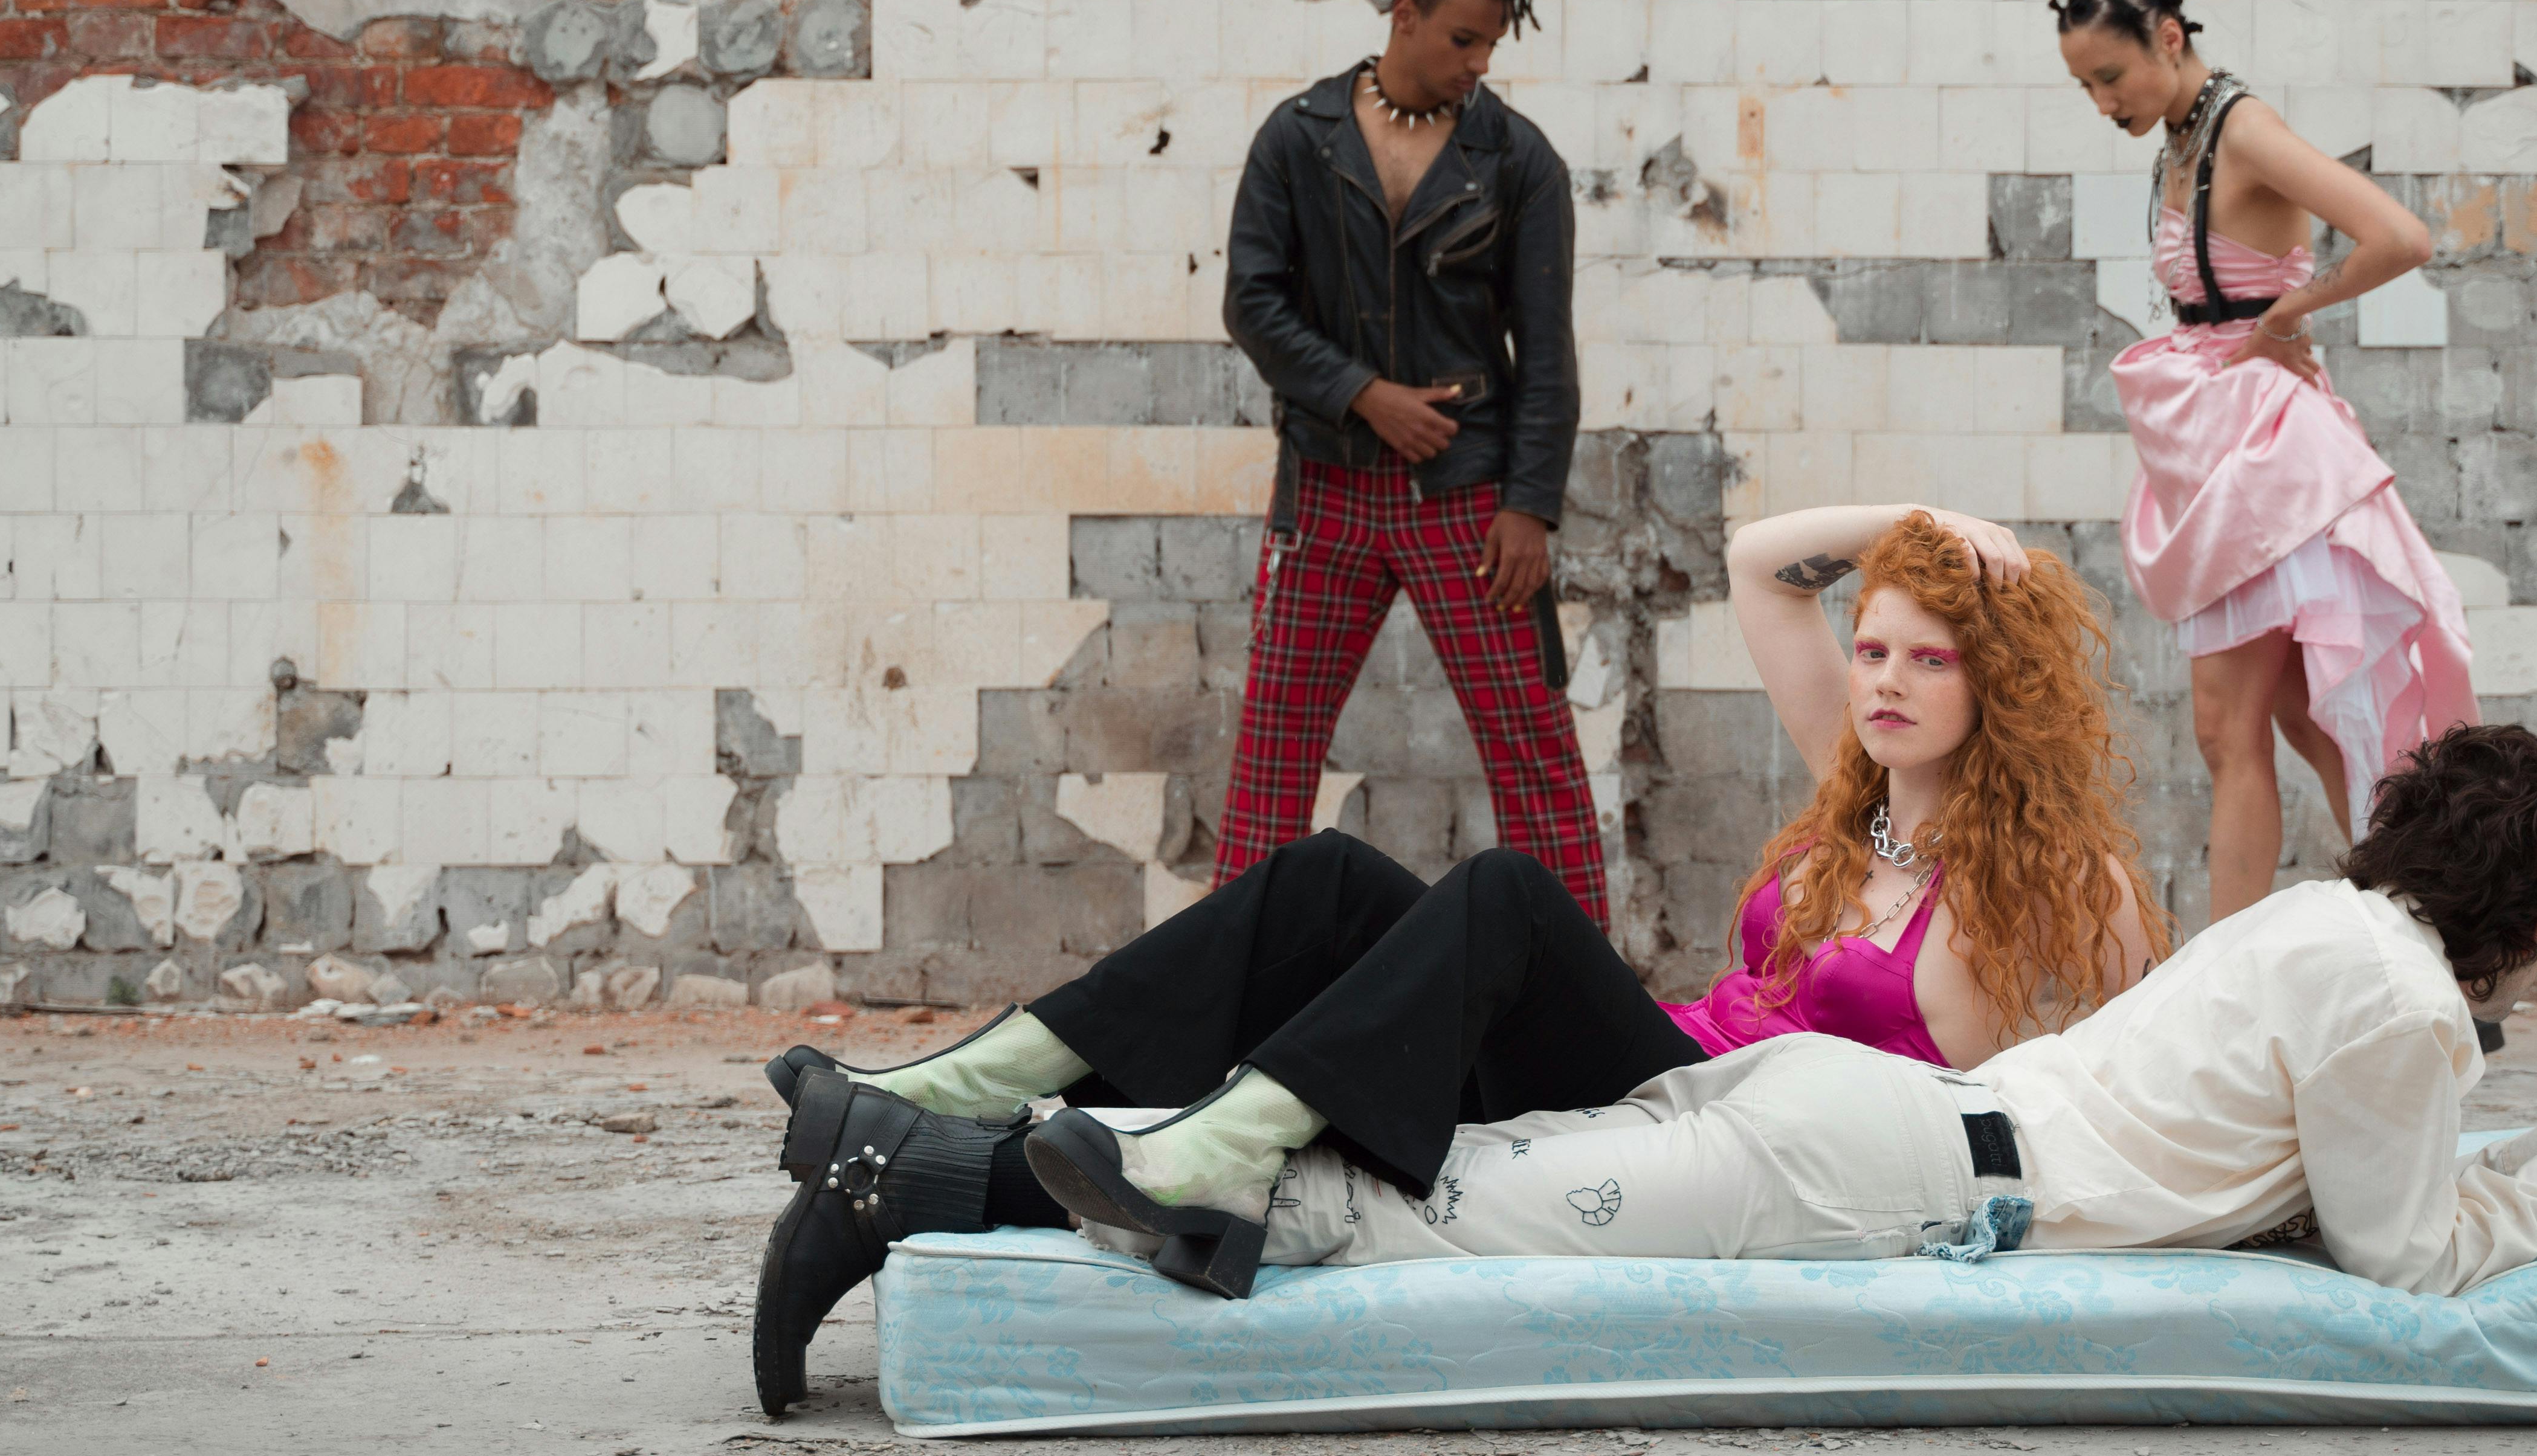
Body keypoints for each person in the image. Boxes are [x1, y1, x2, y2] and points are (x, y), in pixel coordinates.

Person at [747, 504, 2163, 1409]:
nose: (1885, 681)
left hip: (1745, 1136)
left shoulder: (2046, 882)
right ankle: (963, 1087)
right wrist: (1926, 523)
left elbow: (2152, 1048)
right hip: (1654, 1075)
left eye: (1931, 658)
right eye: (1873, 650)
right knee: (1325, 881)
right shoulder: (1851, 789)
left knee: (1505, 895)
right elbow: (1760, 560)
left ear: (1997, 682)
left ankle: (1041, 1153)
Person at [1237, 723, 2537, 1298]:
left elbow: (2374, 1170)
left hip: (1855, 1119)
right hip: (1888, 1174)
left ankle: (1134, 1151)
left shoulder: (2314, 920)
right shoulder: (2403, 999)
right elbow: (2408, 1250)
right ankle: (1135, 1177)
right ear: (2531, 923)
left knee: (1433, 1175)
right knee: (1374, 1211)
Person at [2056, 0, 2475, 920]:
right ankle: (2427, 923)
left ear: (2169, 39)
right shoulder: (2183, 136)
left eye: (2111, 76)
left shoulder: (2242, 130)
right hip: (2220, 441)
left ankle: (2225, 975)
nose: (2104, 102)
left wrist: (2289, 312)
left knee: (2226, 728)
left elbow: (2401, 237)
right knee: (2304, 718)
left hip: (2264, 451)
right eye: (2086, 87)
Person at [1213, 0, 1597, 915]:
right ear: (1405, 13)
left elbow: (1547, 352)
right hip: (1325, 490)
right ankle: (1222, 987)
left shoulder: (1518, 160)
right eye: (1463, 38)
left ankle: (1582, 992)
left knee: (1535, 751)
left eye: (1492, 45)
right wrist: (1363, 394)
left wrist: (1532, 506)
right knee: (1273, 755)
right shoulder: (1299, 139)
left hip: (1470, 500)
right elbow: (1251, 303)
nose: (1479, 63)